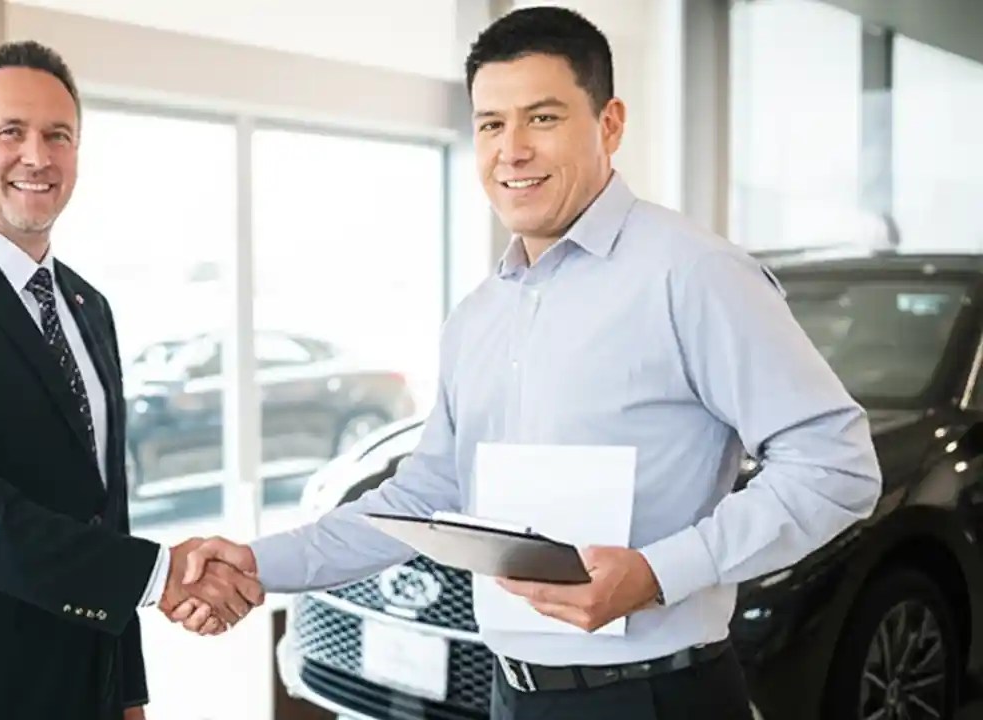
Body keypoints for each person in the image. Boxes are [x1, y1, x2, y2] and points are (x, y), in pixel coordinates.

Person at [177, 7, 882, 719]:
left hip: (655, 697)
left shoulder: (694, 274)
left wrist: (658, 574)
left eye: (542, 118)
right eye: (490, 123)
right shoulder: (481, 313)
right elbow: (423, 495)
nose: (510, 150)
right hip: (511, 694)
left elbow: (836, 466)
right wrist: (257, 563)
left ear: (609, 125)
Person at [0, 40, 261, 720]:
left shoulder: (89, 307)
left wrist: (126, 689)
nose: (38, 155)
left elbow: (104, 509)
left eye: (58, 135)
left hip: (77, 675)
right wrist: (162, 574)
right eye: (11, 132)